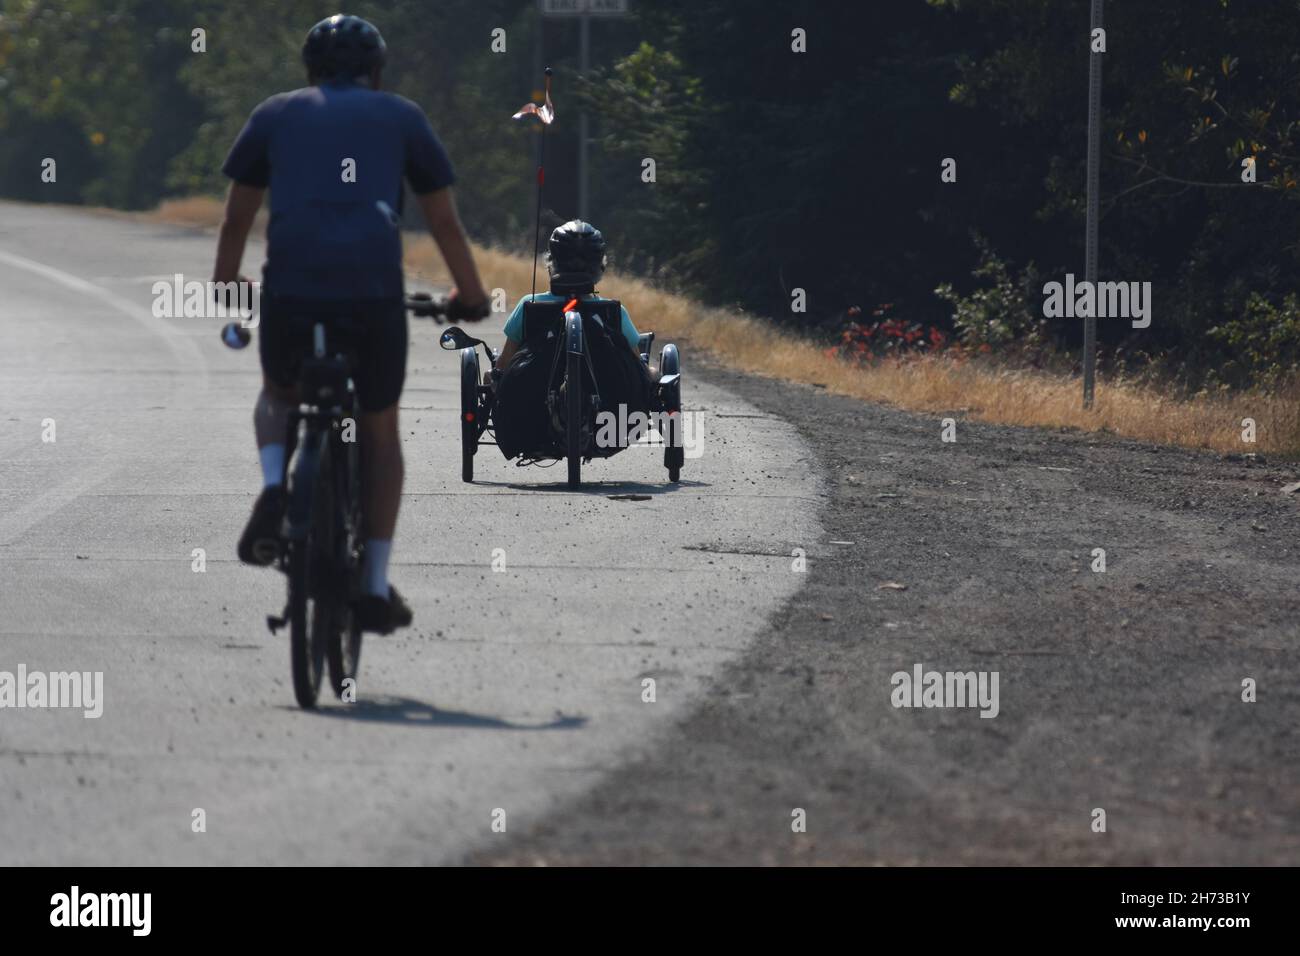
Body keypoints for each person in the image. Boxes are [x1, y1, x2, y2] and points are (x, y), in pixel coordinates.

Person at [213, 14, 489, 634]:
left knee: (278, 394)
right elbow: (444, 223)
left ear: (310, 70)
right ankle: (373, 583)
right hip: (372, 297)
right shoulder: (402, 117)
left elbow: (236, 218)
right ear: (377, 73)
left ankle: (274, 486)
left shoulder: (274, 114)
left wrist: (227, 281)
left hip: (291, 291)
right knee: (379, 429)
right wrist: (470, 295)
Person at [496, 221, 641, 372]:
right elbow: (639, 370)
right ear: (600, 266)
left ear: (551, 262)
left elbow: (504, 364)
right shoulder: (614, 311)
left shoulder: (529, 304)